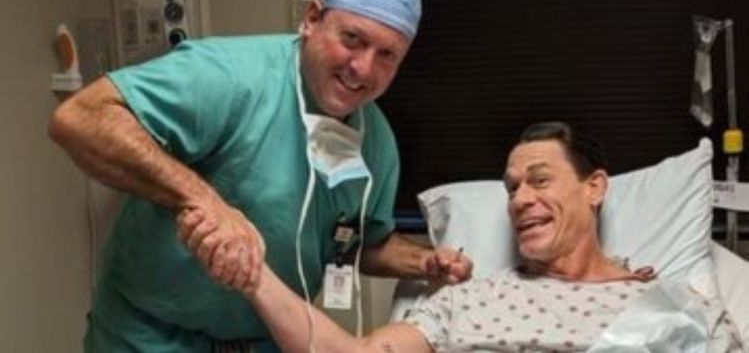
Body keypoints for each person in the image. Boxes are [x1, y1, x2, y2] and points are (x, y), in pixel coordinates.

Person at [48, 0, 472, 352]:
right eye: (352, 39)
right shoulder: (231, 77)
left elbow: (361, 244)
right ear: (312, 19)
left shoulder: (376, 142)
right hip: (149, 336)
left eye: (387, 56)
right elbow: (80, 118)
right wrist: (204, 201)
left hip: (263, 341)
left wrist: (423, 262)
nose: (362, 67)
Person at [179, 121, 746, 352]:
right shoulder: (469, 301)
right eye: (512, 188)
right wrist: (254, 276)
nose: (519, 199)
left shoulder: (674, 304)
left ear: (594, 187)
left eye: (539, 180)